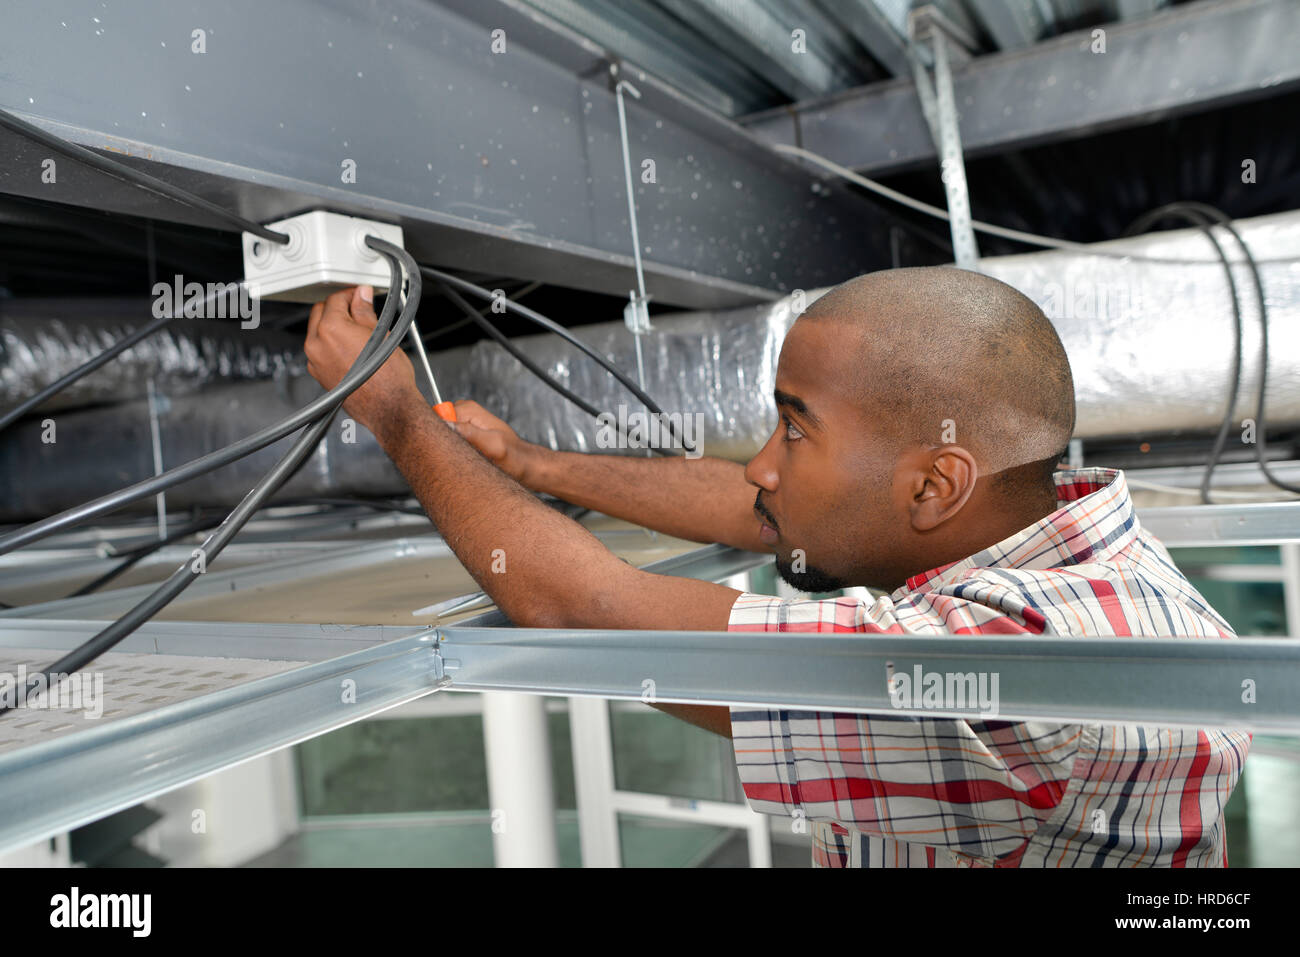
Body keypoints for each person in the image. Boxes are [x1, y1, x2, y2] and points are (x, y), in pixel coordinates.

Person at [304, 266, 1250, 867]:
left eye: (795, 427)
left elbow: (579, 603)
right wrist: (533, 468)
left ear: (933, 484)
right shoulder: (1055, 526)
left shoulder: (1023, 682)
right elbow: (775, 514)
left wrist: (394, 413)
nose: (763, 463)